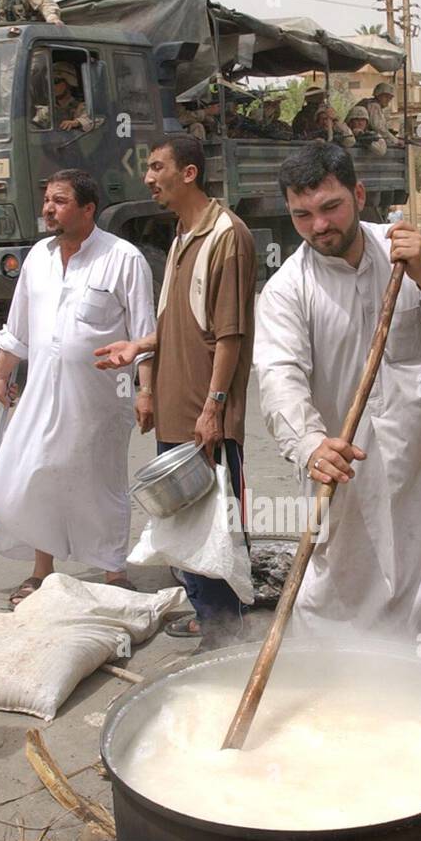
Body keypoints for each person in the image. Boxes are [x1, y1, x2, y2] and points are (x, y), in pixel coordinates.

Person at [253, 142, 421, 648]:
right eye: (302, 215)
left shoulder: (405, 249)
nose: (318, 226)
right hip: (344, 482)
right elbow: (279, 377)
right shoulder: (286, 290)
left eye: (329, 208)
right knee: (333, 609)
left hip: (418, 474)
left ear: (358, 195)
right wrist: (310, 444)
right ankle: (342, 710)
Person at [0, 169, 155, 604]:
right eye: (47, 200)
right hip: (41, 394)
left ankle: (114, 572)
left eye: (60, 200)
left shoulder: (123, 259)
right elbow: (19, 324)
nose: (49, 208)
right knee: (31, 476)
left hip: (99, 400)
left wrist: (145, 391)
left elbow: (145, 333)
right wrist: (3, 367)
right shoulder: (38, 258)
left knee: (100, 482)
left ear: (88, 209)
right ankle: (42, 570)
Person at [93, 135, 257, 648]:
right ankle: (212, 615)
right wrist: (139, 346)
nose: (148, 176)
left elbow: (229, 334)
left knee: (214, 519)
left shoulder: (226, 234)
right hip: (174, 402)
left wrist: (214, 407)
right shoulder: (184, 233)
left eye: (156, 165)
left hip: (203, 408)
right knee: (187, 518)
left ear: (188, 173)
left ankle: (223, 629)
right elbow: (179, 321)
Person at [52, 62, 92, 132]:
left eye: (56, 81)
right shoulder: (48, 109)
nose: (52, 86)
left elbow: (98, 120)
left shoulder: (82, 106)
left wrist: (77, 122)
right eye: (50, 82)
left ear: (69, 83)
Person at [365, 80, 402, 145]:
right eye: (386, 97)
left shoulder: (373, 105)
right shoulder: (374, 106)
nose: (388, 100)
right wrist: (396, 141)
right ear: (378, 95)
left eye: (390, 98)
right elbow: (379, 129)